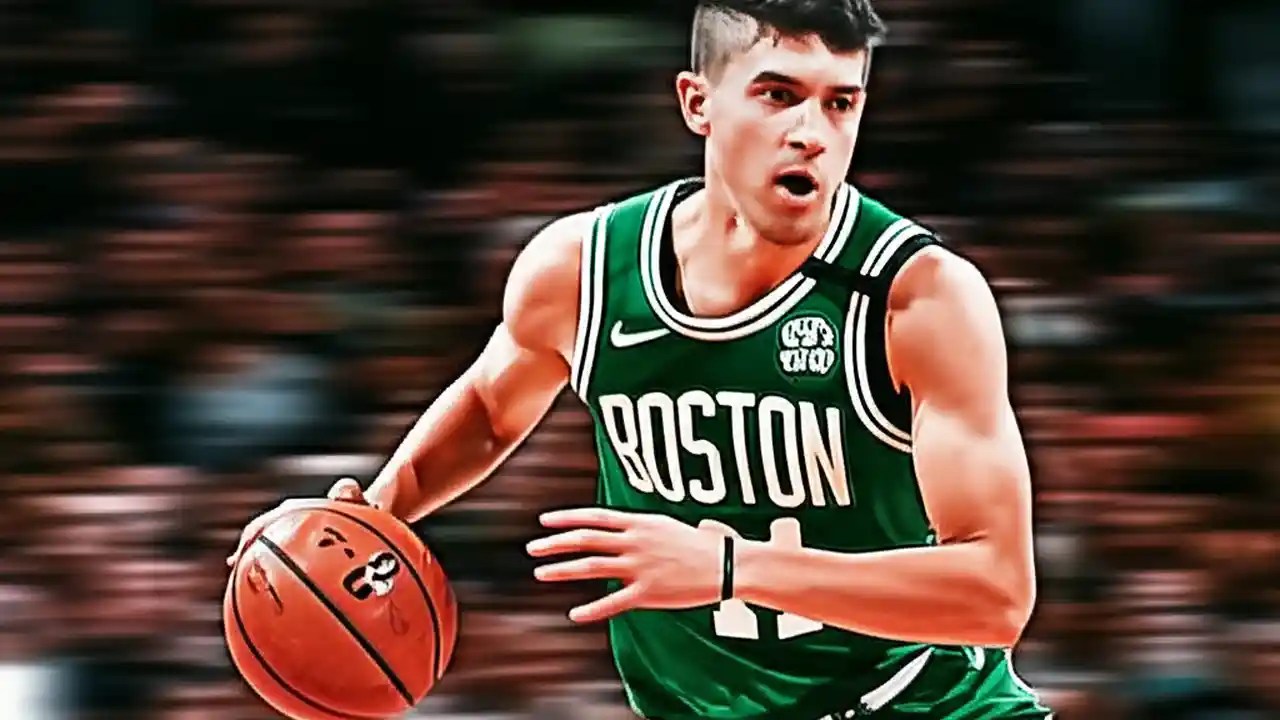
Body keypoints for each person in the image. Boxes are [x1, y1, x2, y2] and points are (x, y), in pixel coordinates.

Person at [229, 1, 1052, 717]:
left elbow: (997, 592)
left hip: (921, 708)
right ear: (698, 104)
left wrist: (731, 567)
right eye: (777, 95)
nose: (811, 133)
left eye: (842, 104)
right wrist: (372, 515)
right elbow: (488, 406)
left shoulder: (917, 299)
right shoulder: (584, 270)